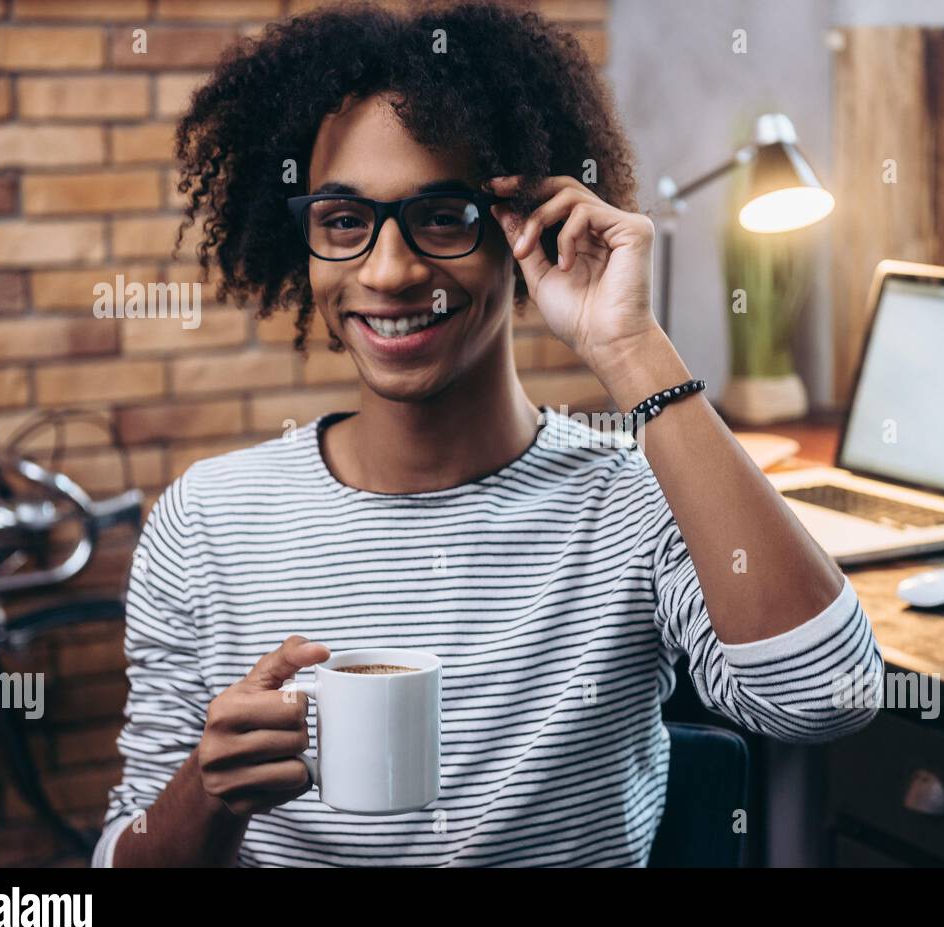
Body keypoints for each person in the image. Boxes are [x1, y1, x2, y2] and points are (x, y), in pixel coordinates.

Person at [94, 0, 882, 867]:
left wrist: (630, 350)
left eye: (442, 215)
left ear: (524, 229)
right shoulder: (206, 519)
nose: (389, 272)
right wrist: (207, 793)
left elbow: (829, 697)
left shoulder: (638, 502)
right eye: (344, 221)